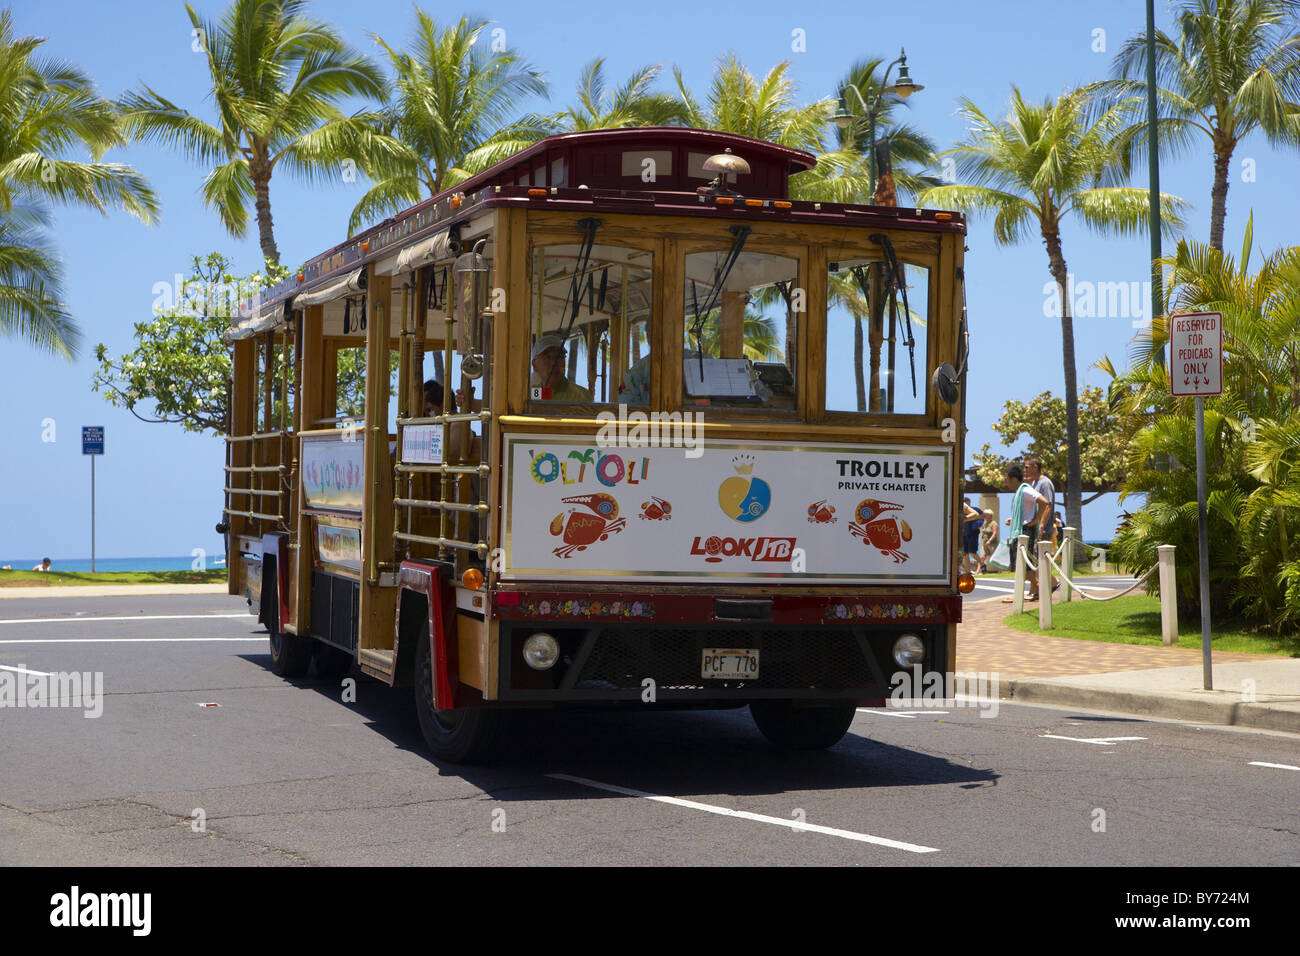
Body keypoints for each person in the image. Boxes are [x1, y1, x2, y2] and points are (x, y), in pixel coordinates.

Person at [1001, 463, 1048, 602]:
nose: (1005, 482)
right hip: (1020, 530)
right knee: (1024, 566)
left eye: (1006, 478)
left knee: (1020, 566)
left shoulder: (1025, 490)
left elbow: (1044, 502)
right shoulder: (1019, 493)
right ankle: (1035, 591)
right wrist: (1014, 520)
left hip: (1024, 532)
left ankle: (1041, 586)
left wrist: (1035, 520)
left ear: (1013, 478)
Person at [1025, 456, 1059, 594]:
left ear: (1035, 467)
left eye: (1027, 467)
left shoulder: (1044, 483)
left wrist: (1041, 526)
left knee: (1039, 559)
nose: (1025, 470)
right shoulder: (1035, 483)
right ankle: (1043, 587)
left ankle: (1052, 583)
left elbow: (1047, 505)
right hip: (1037, 527)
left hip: (1043, 528)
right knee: (1037, 560)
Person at [530, 334, 592, 402]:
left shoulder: (581, 396)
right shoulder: (528, 395)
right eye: (548, 357)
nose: (554, 362)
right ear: (535, 365)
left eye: (559, 356)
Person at [961, 498, 983, 573]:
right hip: (963, 533)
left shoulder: (975, 509)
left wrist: (979, 524)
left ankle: (982, 565)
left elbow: (981, 516)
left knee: (972, 552)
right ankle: (968, 571)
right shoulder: (961, 510)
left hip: (973, 533)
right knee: (964, 553)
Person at [977, 508, 998, 573]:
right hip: (985, 543)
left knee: (994, 557)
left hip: (992, 543)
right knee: (982, 557)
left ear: (990, 515)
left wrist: (989, 540)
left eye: (986, 515)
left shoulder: (994, 523)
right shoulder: (985, 523)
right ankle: (978, 571)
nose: (984, 516)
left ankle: (1001, 570)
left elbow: (994, 533)